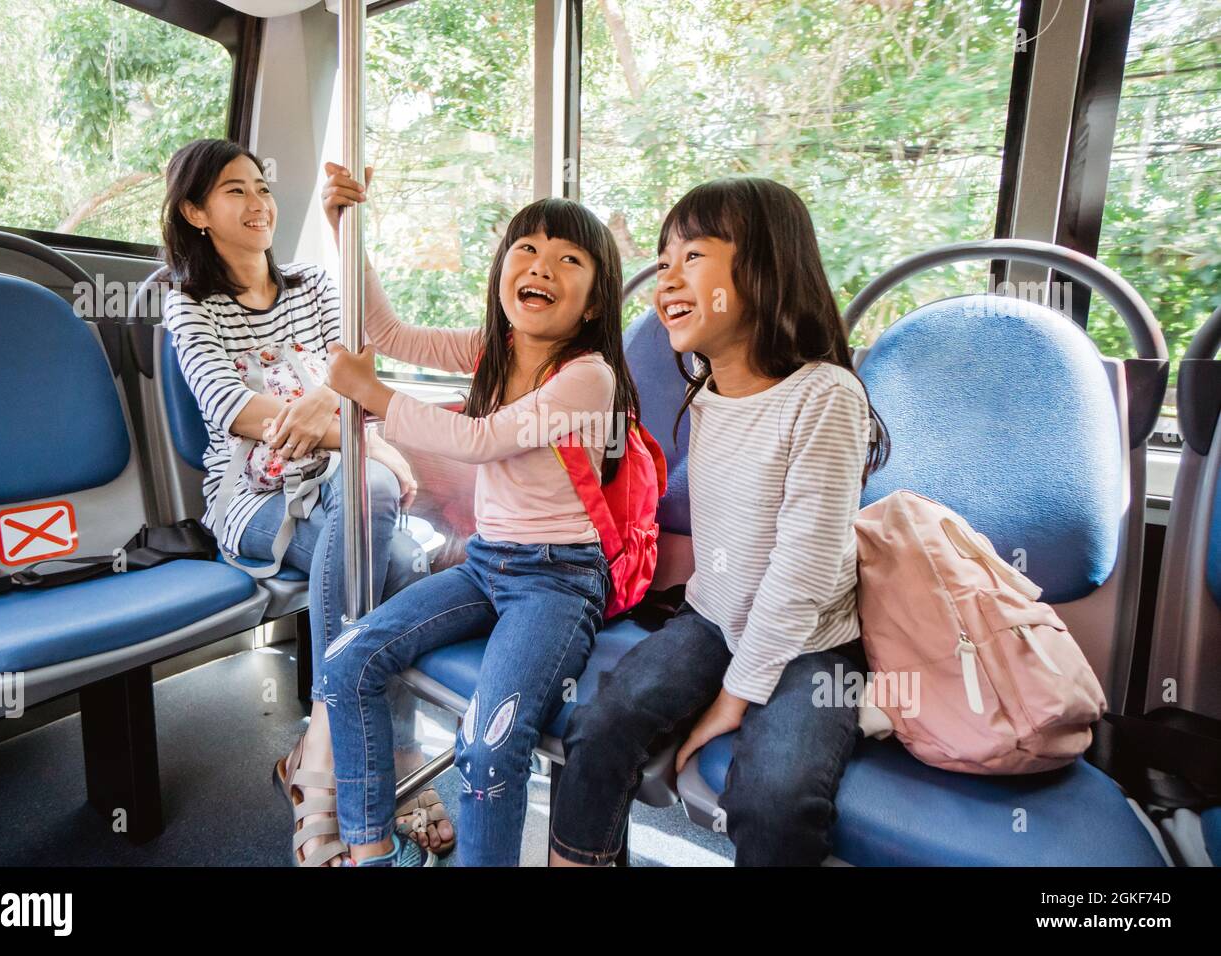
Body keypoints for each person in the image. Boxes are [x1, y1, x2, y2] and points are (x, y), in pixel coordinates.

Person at [547, 177, 890, 867]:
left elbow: (802, 578)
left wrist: (735, 698)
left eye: (693, 256)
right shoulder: (705, 391)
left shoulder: (826, 396)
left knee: (775, 800)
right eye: (663, 262)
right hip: (713, 617)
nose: (668, 279)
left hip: (810, 643)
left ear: (766, 269)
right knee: (599, 725)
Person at [318, 165, 641, 866]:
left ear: (594, 302)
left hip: (557, 580)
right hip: (486, 564)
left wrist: (373, 395)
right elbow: (386, 330)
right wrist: (348, 230)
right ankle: (372, 855)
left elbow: (479, 440)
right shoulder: (492, 350)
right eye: (527, 248)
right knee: (345, 663)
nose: (541, 266)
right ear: (502, 272)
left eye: (569, 259)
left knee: (489, 745)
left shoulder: (588, 377)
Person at [160, 139, 453, 866]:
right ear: (195, 212)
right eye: (235, 190)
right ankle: (368, 752)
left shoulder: (315, 287)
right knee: (385, 523)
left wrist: (337, 409)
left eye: (262, 186)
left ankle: (326, 752)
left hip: (336, 482)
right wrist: (348, 422)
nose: (259, 202)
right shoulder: (189, 305)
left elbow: (359, 376)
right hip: (250, 496)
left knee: (399, 557)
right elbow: (237, 411)